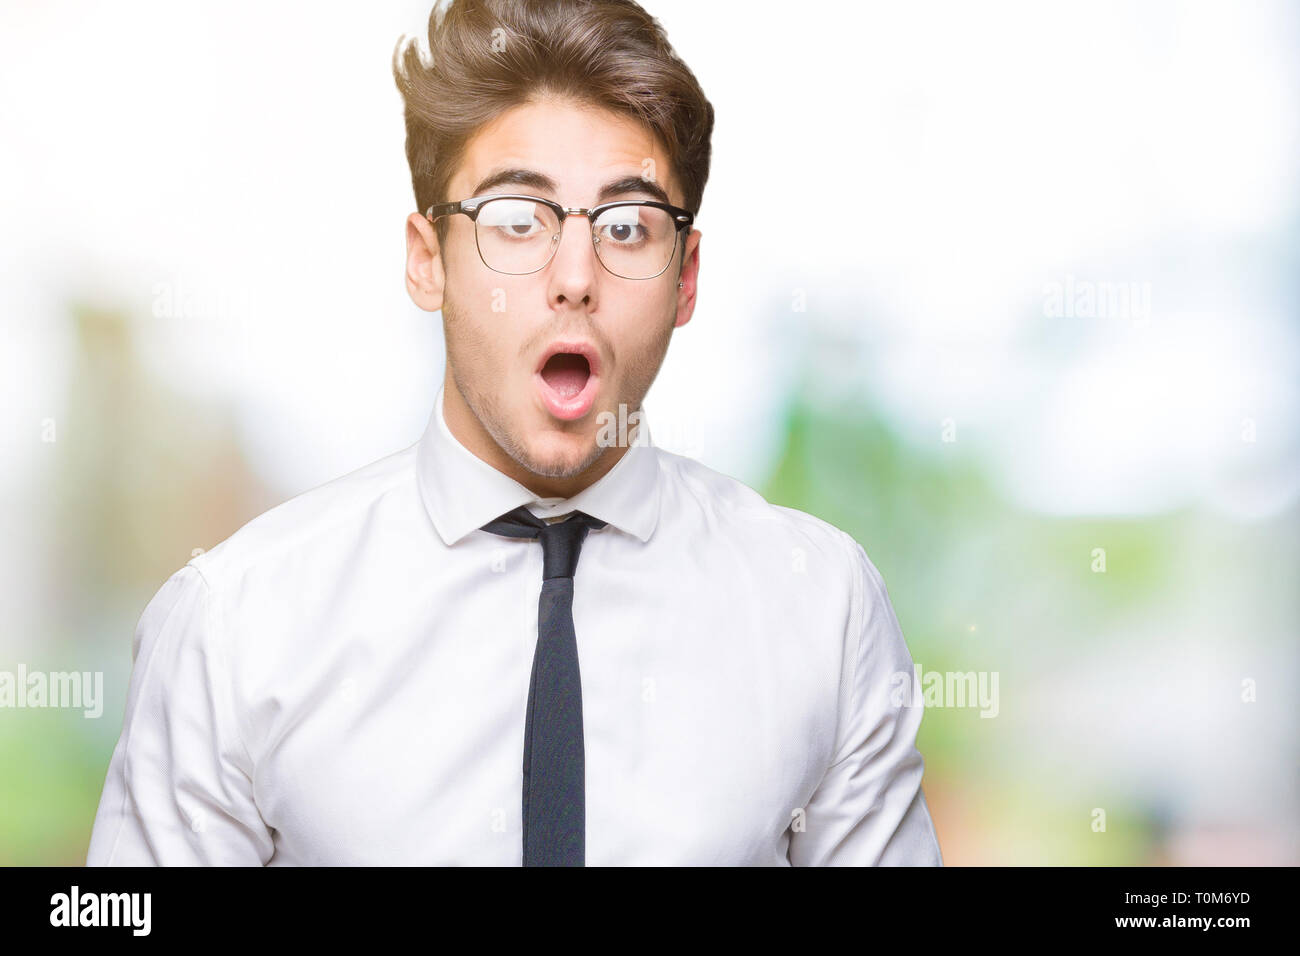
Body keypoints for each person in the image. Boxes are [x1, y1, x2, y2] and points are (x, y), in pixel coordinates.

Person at [86, 0, 943, 866]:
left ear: (686, 280)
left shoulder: (820, 608)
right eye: (516, 219)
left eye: (627, 226)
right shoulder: (236, 623)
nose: (575, 277)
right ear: (429, 260)